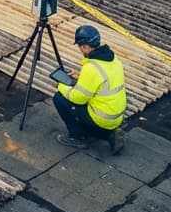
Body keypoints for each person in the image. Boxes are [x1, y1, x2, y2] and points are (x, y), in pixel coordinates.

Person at [54, 25, 126, 153]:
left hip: (102, 117)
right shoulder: (113, 59)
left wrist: (61, 84)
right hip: (116, 116)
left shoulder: (91, 68)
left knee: (59, 99)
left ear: (84, 46)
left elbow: (78, 98)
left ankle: (77, 137)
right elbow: (103, 80)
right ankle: (110, 134)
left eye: (80, 47)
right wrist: (80, 76)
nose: (80, 49)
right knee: (86, 105)